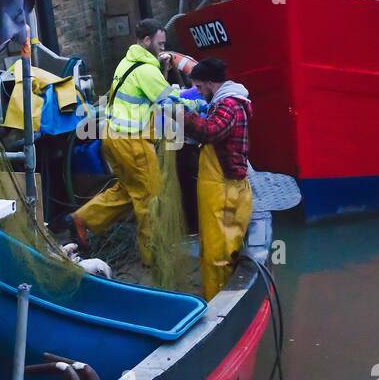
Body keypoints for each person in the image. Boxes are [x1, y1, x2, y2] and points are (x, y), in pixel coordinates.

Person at [66, 19, 173, 266]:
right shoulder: (147, 71)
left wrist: (162, 69)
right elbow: (169, 100)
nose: (162, 48)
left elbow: (147, 93)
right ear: (147, 41)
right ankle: (154, 257)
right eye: (160, 43)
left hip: (112, 138)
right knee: (150, 197)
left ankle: (83, 218)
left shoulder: (126, 63)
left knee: (128, 189)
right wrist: (199, 104)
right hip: (132, 142)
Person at [182, 57, 252, 299]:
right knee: (213, 245)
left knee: (217, 253)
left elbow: (210, 131)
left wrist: (182, 115)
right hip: (223, 187)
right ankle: (211, 293)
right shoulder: (226, 101)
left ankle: (217, 303)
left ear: (211, 83)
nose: (200, 94)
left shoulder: (228, 104)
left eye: (200, 88)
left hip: (224, 189)